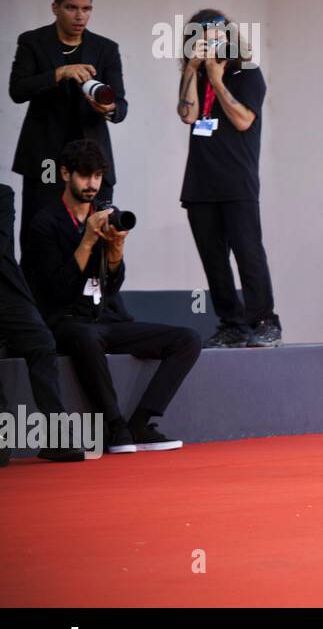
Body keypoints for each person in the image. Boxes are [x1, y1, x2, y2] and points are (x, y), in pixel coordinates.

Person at [20, 140, 200, 454]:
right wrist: (88, 240)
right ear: (65, 173)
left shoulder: (105, 214)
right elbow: (56, 291)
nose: (91, 184)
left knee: (188, 338)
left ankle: (140, 423)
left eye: (98, 176)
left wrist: (116, 248)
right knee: (87, 336)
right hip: (64, 320)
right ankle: (115, 427)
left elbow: (111, 286)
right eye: (84, 176)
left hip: (105, 317)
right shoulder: (44, 223)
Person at [175, 10, 282, 348]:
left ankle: (264, 320)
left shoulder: (247, 72)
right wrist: (193, 70)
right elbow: (187, 114)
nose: (212, 42)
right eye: (203, 37)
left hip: (236, 181)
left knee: (248, 253)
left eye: (217, 35)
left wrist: (218, 79)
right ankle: (231, 324)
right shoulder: (195, 75)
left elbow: (242, 120)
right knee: (213, 259)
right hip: (200, 182)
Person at [9, 0, 127, 232]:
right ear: (55, 8)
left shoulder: (106, 48)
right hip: (47, 158)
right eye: (71, 8)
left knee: (96, 231)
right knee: (39, 227)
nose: (79, 16)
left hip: (90, 158)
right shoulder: (33, 42)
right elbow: (17, 90)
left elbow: (121, 106)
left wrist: (108, 109)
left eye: (86, 9)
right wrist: (59, 73)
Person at [0, 183, 85, 465]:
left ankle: (57, 436)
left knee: (42, 341)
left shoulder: (3, 194)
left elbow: (2, 250)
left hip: (8, 291)